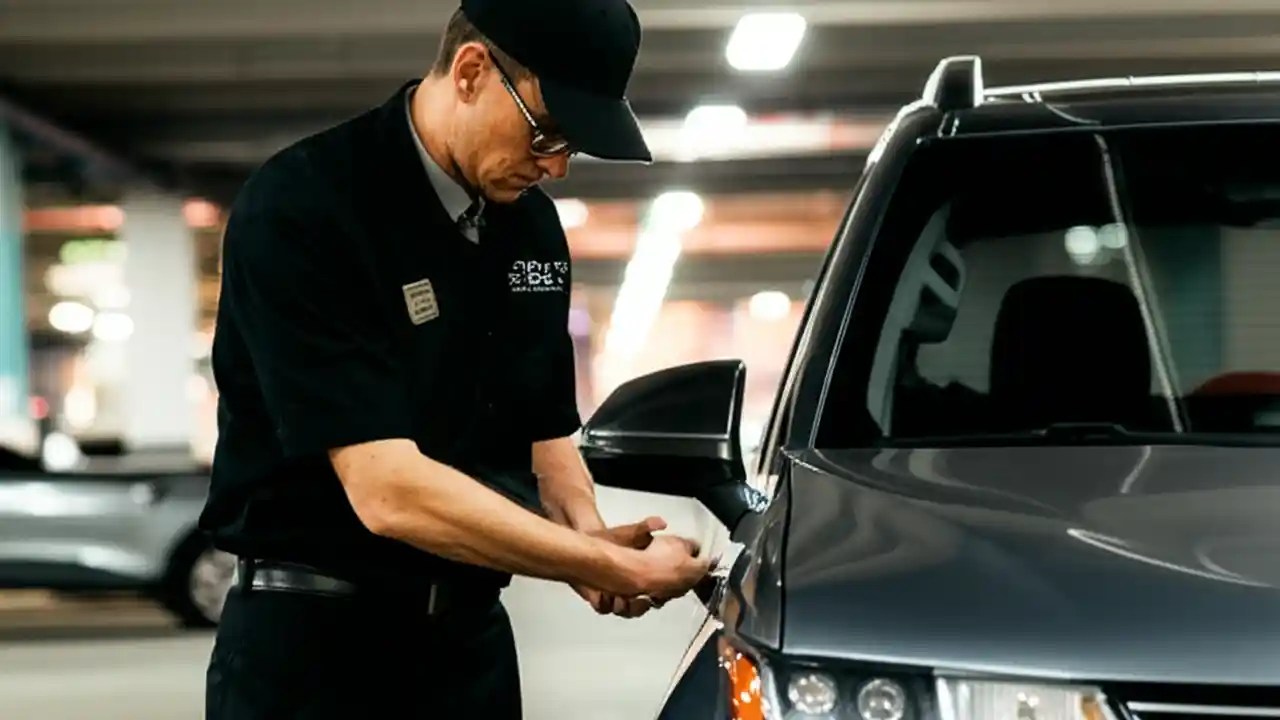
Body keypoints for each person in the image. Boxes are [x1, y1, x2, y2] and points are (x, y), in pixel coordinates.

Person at [198, 0, 711, 717]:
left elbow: (544, 435)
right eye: (548, 133)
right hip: (316, 653)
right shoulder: (307, 207)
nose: (557, 167)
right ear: (472, 71)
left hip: (469, 649)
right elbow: (387, 492)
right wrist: (605, 561)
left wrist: (590, 539)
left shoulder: (528, 227)